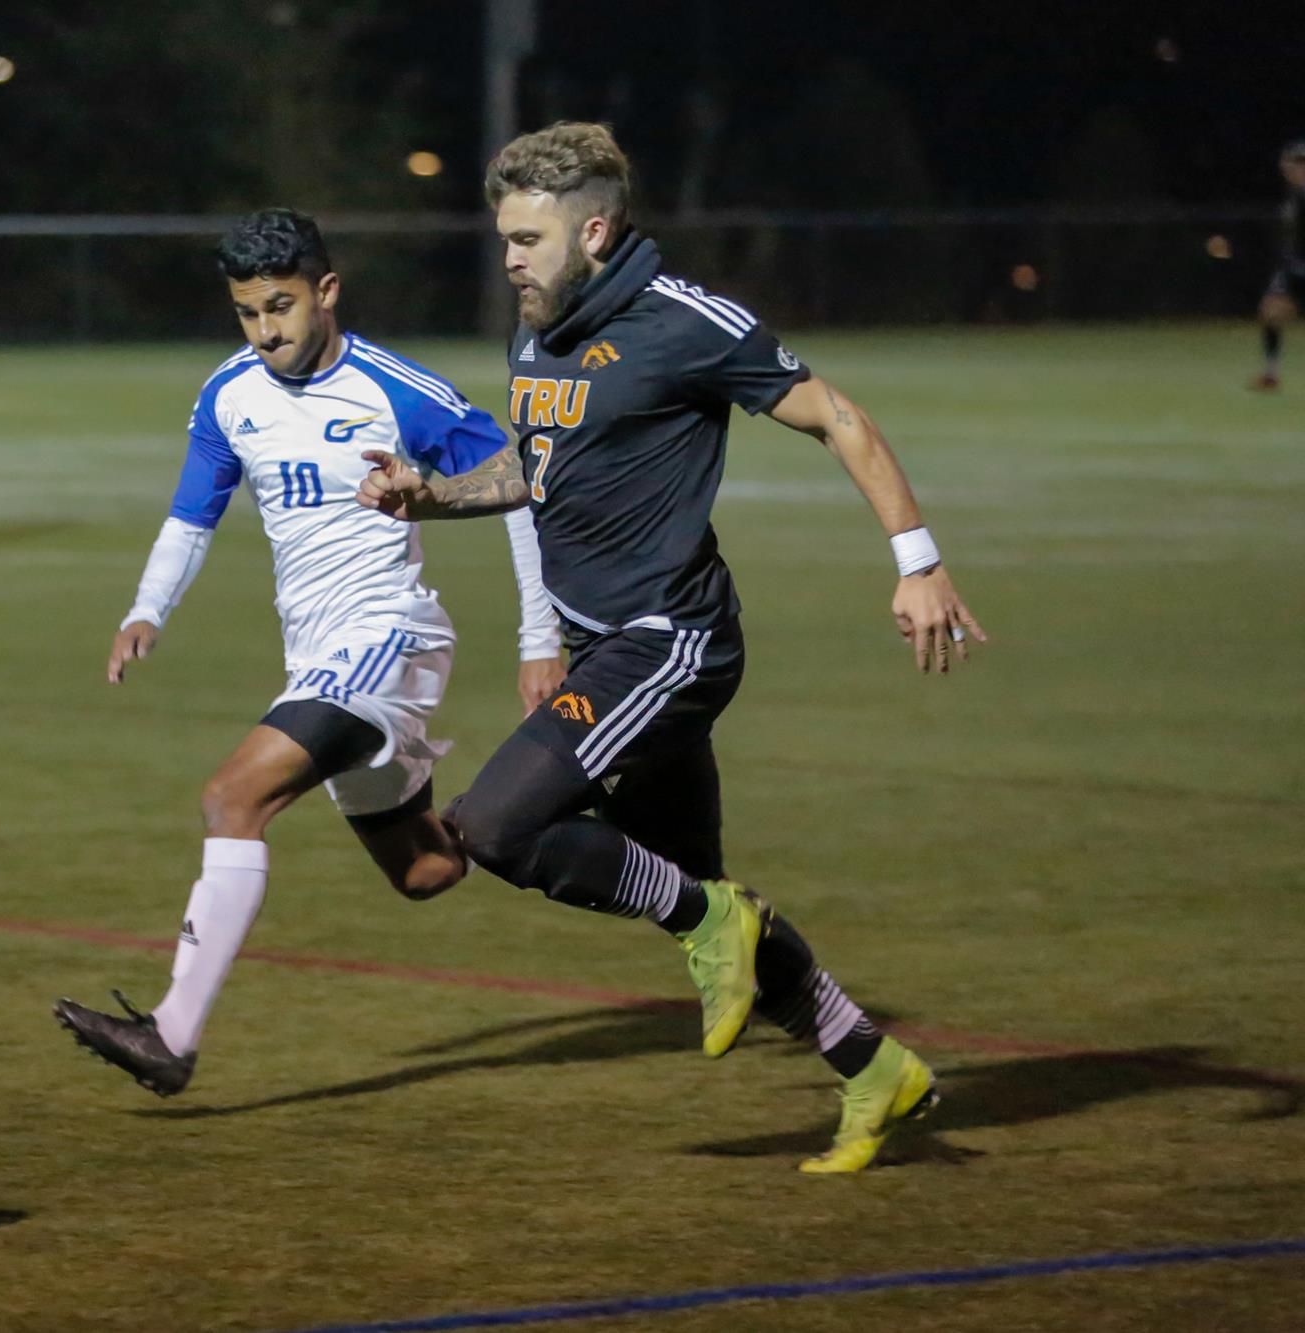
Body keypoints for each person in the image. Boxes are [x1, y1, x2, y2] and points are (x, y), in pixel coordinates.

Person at [357, 122, 988, 1173]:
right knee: (686, 885)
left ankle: (714, 917)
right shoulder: (538, 326)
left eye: (525, 238)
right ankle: (872, 1068)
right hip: (607, 645)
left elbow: (834, 413)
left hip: (669, 644)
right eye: (501, 236)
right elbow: (537, 466)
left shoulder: (684, 322)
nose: (506, 258)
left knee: (498, 828)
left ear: (593, 228)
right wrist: (432, 492)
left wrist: (915, 559)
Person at [54, 209, 564, 1096]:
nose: (265, 331)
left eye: (281, 307)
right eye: (247, 312)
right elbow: (192, 512)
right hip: (319, 656)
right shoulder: (231, 392)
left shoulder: (396, 388)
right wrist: (147, 609)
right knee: (427, 869)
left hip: (389, 635)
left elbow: (517, 481)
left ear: (327, 291)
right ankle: (531, 809)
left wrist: (539, 635)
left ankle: (171, 1036)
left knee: (231, 796)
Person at [1249, 140, 1305, 392]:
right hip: (1294, 269)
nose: (1299, 168)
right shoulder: (1293, 196)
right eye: (1296, 162)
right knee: (1270, 313)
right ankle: (1271, 375)